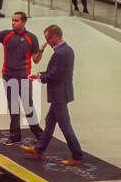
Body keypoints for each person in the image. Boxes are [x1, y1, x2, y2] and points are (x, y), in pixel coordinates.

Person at [0, 12, 44, 143]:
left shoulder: (31, 38)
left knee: (28, 106)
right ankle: (15, 135)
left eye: (16, 21)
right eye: (12, 20)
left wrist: (41, 51)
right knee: (13, 106)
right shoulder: (6, 34)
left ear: (23, 22)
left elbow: (36, 59)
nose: (13, 23)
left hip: (24, 77)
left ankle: (38, 133)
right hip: (8, 76)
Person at [22, 25, 83, 166]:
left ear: (55, 37)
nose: (47, 42)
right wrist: (40, 74)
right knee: (49, 122)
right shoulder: (65, 50)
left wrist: (39, 77)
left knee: (65, 126)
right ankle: (38, 150)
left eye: (48, 39)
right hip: (61, 93)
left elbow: (55, 75)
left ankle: (77, 156)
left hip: (59, 95)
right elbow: (55, 71)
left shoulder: (60, 53)